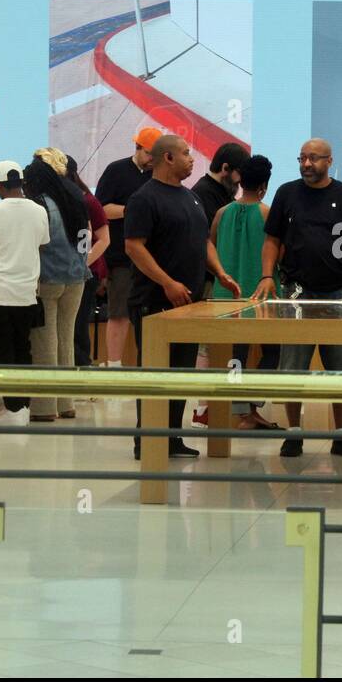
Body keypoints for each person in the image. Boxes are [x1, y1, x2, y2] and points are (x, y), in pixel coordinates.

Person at [254, 138, 342, 459]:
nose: (306, 164)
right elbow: (272, 241)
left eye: (313, 158)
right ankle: (294, 433)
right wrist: (266, 275)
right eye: (302, 158)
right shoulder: (286, 194)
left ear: (329, 161)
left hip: (341, 293)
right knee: (292, 366)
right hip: (297, 291)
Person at [126, 134, 240, 460]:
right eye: (187, 153)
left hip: (188, 303)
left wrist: (220, 272)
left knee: (179, 374)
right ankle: (147, 441)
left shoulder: (190, 198)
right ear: (168, 159)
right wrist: (167, 282)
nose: (193, 159)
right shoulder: (144, 198)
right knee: (155, 376)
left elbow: (203, 241)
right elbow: (134, 246)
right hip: (154, 301)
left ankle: (172, 437)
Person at [0, 161, 51, 426]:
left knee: (2, 352)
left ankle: (13, 410)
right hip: (27, 293)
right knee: (23, 350)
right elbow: (42, 244)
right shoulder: (40, 211)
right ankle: (22, 409)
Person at [211, 154, 281, 430]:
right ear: (264, 185)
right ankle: (249, 405)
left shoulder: (222, 213)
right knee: (274, 352)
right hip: (261, 294)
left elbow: (211, 245)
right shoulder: (267, 213)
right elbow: (278, 252)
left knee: (234, 355)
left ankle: (240, 410)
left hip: (225, 295)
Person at [23, 153, 90, 422]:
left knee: (44, 342)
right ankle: (66, 402)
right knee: (66, 341)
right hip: (76, 278)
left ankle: (43, 407)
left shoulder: (39, 205)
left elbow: (34, 244)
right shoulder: (77, 199)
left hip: (47, 279)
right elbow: (85, 238)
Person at [94, 127, 157, 370]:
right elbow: (101, 210)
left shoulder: (158, 175)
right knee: (118, 312)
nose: (153, 159)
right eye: (150, 153)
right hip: (121, 257)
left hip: (152, 256)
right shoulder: (116, 171)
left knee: (150, 313)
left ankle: (150, 362)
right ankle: (115, 364)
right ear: (138, 148)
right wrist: (131, 210)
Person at [63, 156, 109, 369]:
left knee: (78, 325)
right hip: (67, 273)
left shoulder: (89, 202)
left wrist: (82, 263)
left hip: (85, 273)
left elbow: (104, 240)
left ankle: (83, 370)